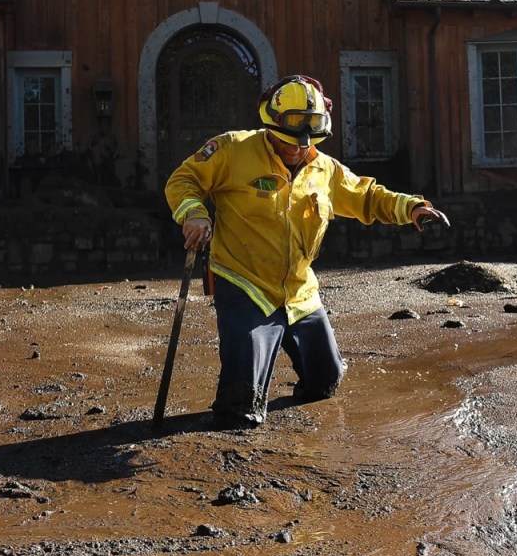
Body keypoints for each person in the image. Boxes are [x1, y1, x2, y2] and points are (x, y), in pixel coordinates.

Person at [164, 74, 450, 430]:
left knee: (324, 385)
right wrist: (194, 214)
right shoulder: (231, 149)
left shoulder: (324, 168)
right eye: (289, 142)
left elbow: (366, 195)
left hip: (300, 292)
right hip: (245, 285)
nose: (297, 149)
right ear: (270, 124)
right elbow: (183, 180)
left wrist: (411, 208)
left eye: (306, 143)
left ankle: (305, 370)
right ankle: (242, 388)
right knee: (240, 410)